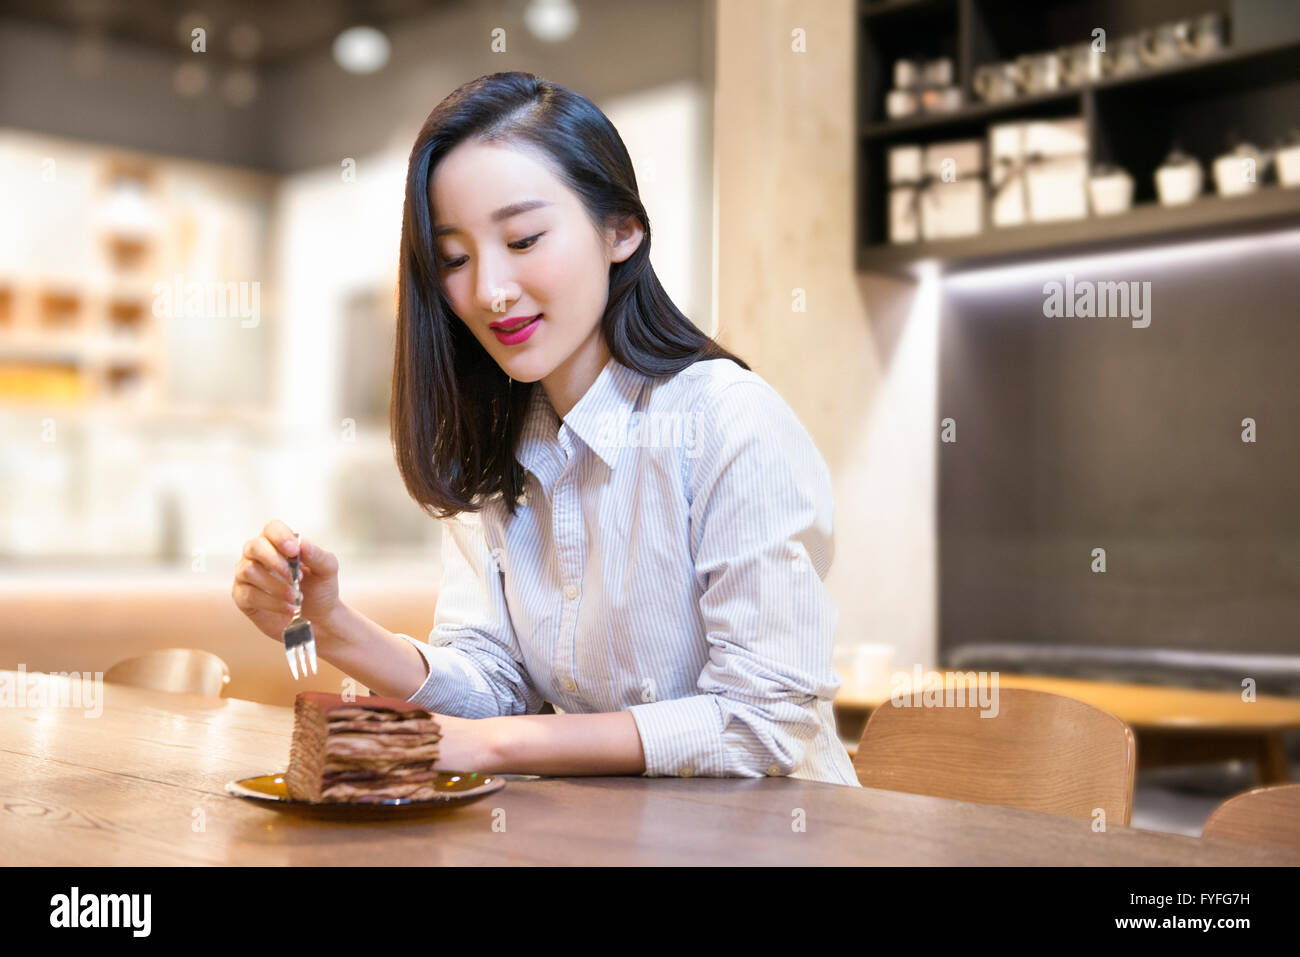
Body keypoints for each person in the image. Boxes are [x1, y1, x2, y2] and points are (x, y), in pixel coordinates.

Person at [233, 71, 860, 786]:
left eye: (524, 239)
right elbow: (492, 685)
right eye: (456, 259)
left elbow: (762, 722)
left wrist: (497, 747)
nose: (490, 290)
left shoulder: (728, 422)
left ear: (622, 230)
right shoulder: (496, 446)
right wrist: (331, 622)